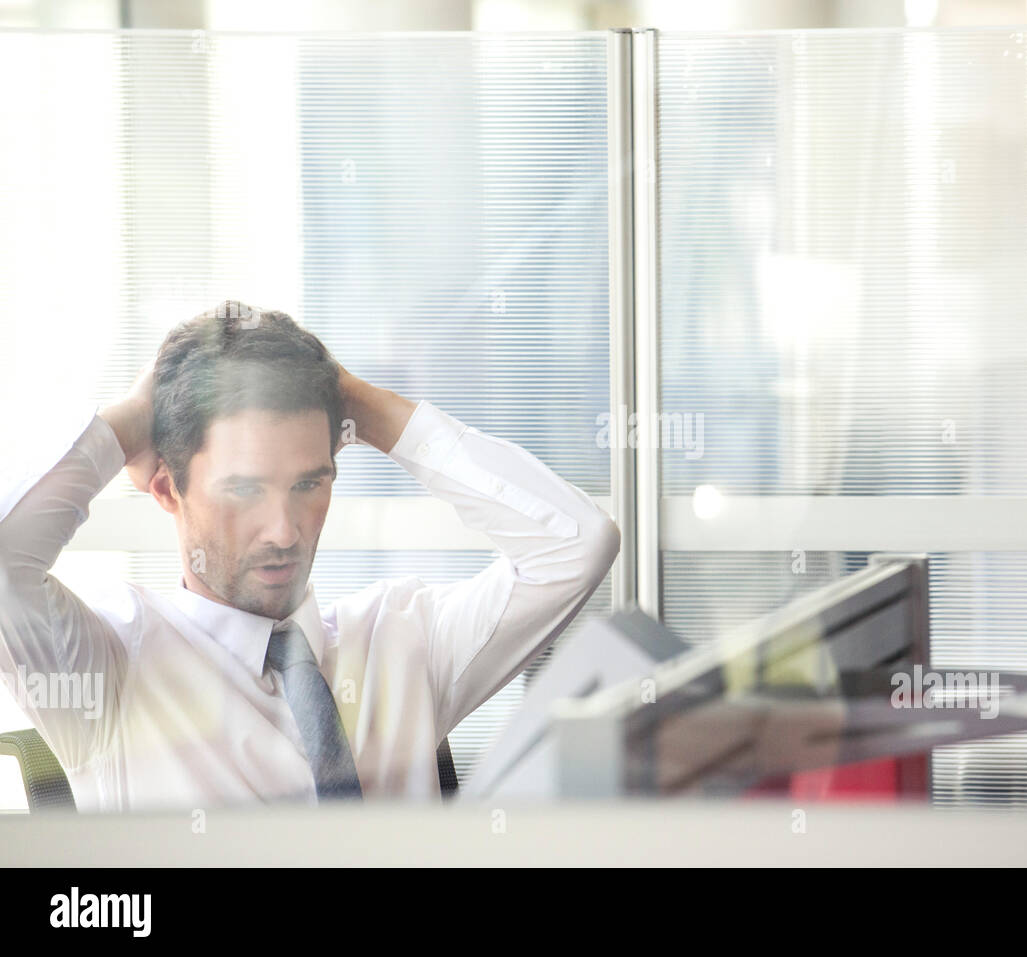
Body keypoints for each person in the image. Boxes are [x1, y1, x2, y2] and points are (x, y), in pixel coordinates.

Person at [0, 301, 620, 812]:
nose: (283, 531)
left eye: (308, 483)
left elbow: (575, 544)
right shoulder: (109, 666)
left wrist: (361, 406)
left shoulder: (404, 640)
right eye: (244, 489)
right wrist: (134, 420)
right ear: (167, 487)